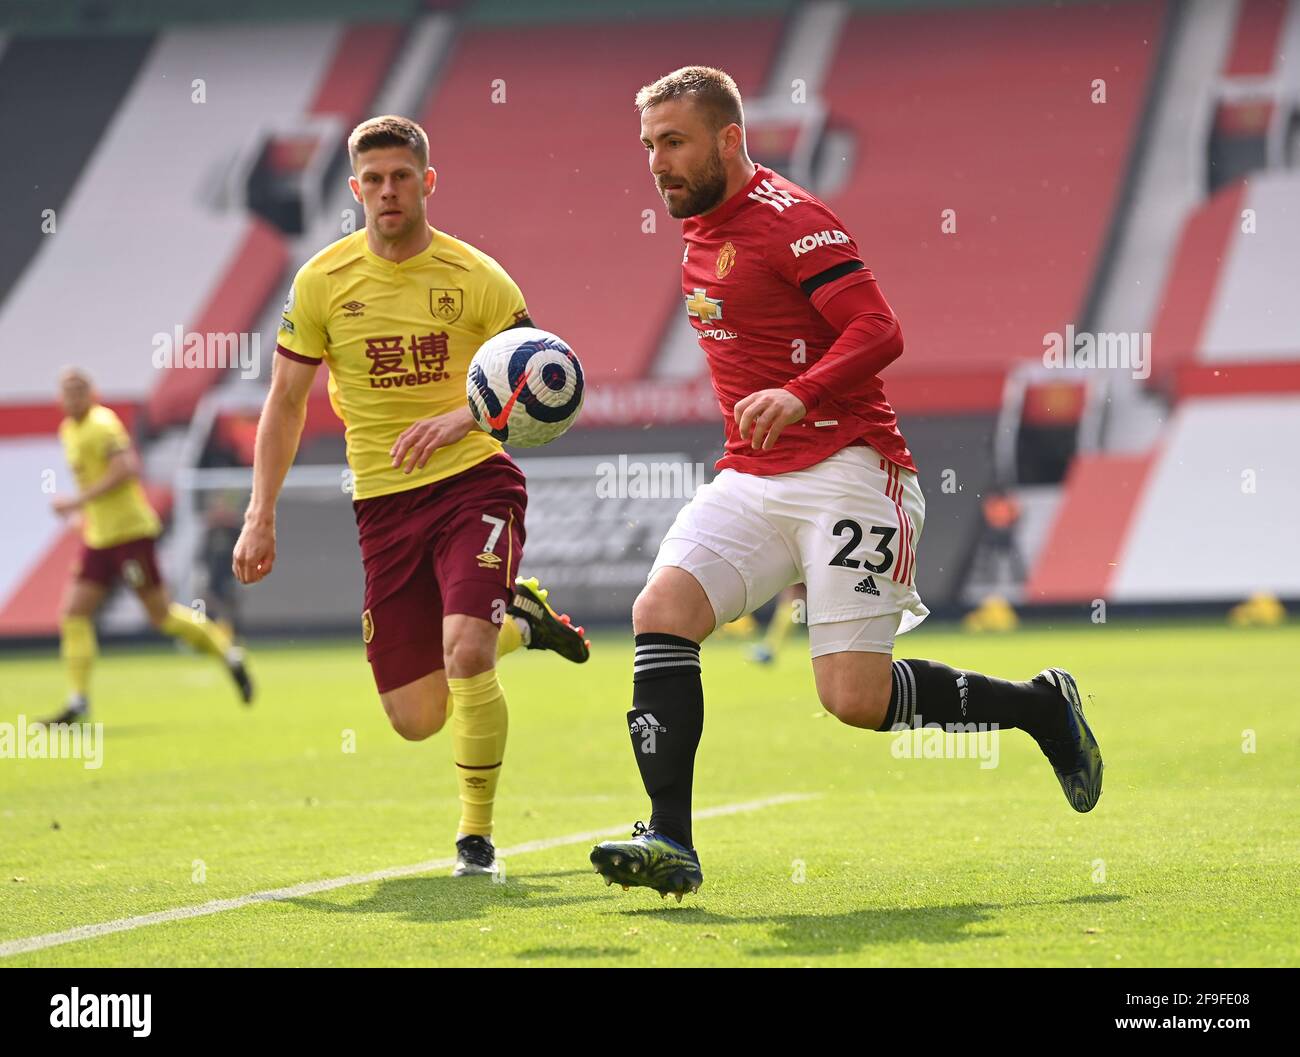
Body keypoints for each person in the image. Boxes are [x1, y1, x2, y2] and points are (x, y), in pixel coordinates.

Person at [591, 68, 1102, 900]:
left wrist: (800, 392)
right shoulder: (697, 230)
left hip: (851, 468)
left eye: (674, 142)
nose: (658, 162)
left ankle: (1040, 707)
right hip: (754, 476)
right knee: (661, 613)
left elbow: (879, 327)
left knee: (854, 700)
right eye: (649, 144)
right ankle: (670, 838)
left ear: (729, 138)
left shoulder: (794, 222)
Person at [233, 115, 589, 878]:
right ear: (355, 188)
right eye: (373, 180)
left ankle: (476, 840)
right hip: (384, 507)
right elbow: (286, 402)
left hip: (474, 485)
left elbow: (547, 375)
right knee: (416, 717)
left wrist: (463, 414)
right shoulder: (322, 282)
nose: (387, 191)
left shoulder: (478, 278)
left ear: (427, 183)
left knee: (464, 649)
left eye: (401, 177)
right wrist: (260, 513)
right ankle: (519, 621)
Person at [42, 367, 252, 724]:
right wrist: (84, 510)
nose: (73, 398)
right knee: (74, 614)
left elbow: (126, 467)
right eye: (67, 392)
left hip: (130, 536)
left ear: (92, 393)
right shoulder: (68, 431)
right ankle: (78, 701)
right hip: (99, 538)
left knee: (161, 616)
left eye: (79, 390)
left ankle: (227, 652)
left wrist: (77, 502)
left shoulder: (102, 424)